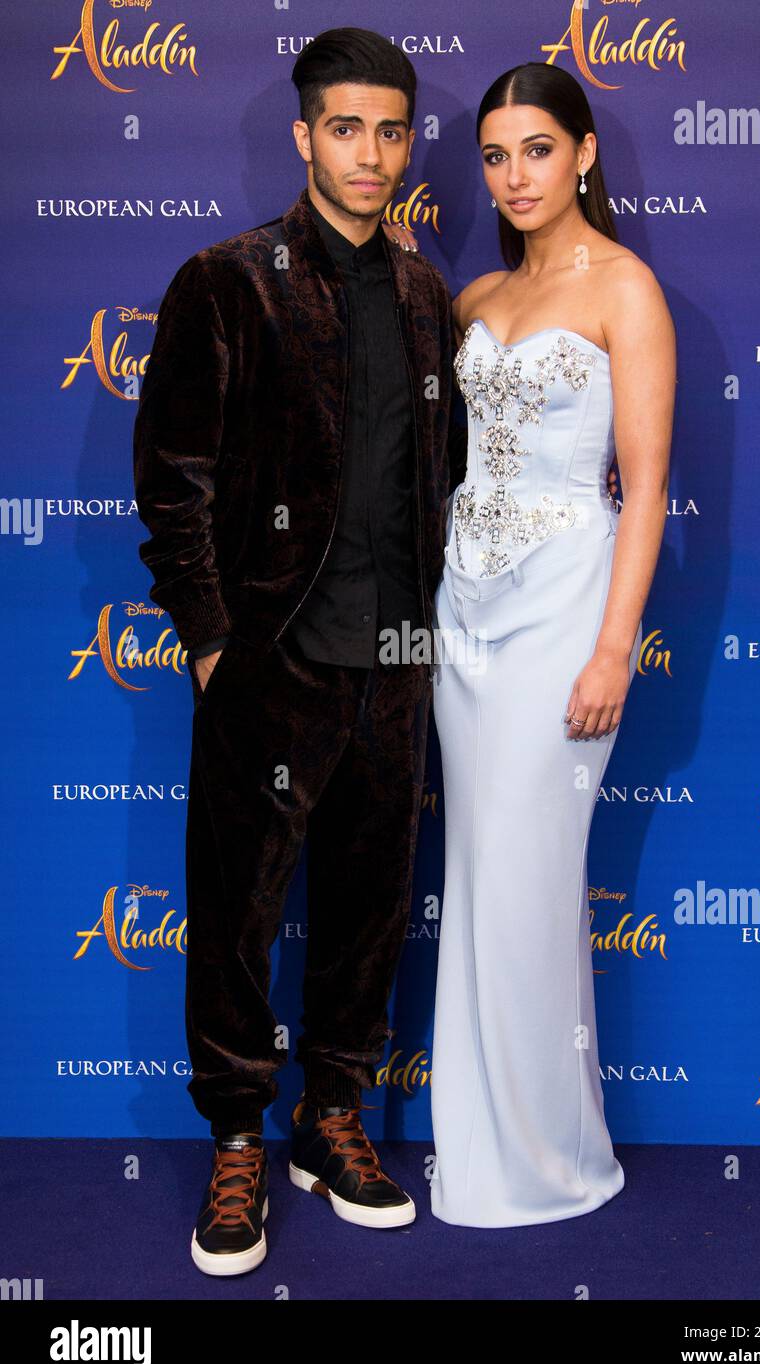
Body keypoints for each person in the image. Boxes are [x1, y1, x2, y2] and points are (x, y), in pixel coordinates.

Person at [132, 27, 467, 1275]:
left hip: (394, 660)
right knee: (235, 912)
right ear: (302, 137)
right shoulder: (230, 282)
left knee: (370, 908)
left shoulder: (430, 296)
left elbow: (445, 479)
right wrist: (215, 643)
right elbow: (173, 479)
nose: (370, 154)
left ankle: (334, 1121)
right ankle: (235, 1134)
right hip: (269, 661)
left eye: (390, 131)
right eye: (346, 128)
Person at [429, 63, 675, 1227]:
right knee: (480, 877)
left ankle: (552, 1157)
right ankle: (475, 1146)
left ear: (582, 153)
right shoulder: (471, 298)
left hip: (566, 612)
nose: (513, 174)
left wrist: (612, 649)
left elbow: (647, 489)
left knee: (528, 882)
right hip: (460, 615)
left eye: (535, 148)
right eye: (492, 154)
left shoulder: (625, 289)